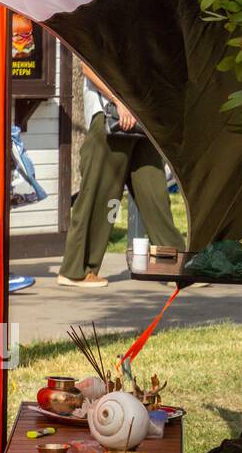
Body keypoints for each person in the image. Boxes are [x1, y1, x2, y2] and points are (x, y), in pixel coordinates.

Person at [57, 64, 185, 287]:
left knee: (155, 194)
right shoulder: (101, 27)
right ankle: (76, 270)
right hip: (111, 117)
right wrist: (118, 101)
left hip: (143, 120)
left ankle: (174, 266)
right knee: (100, 197)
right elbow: (88, 67)